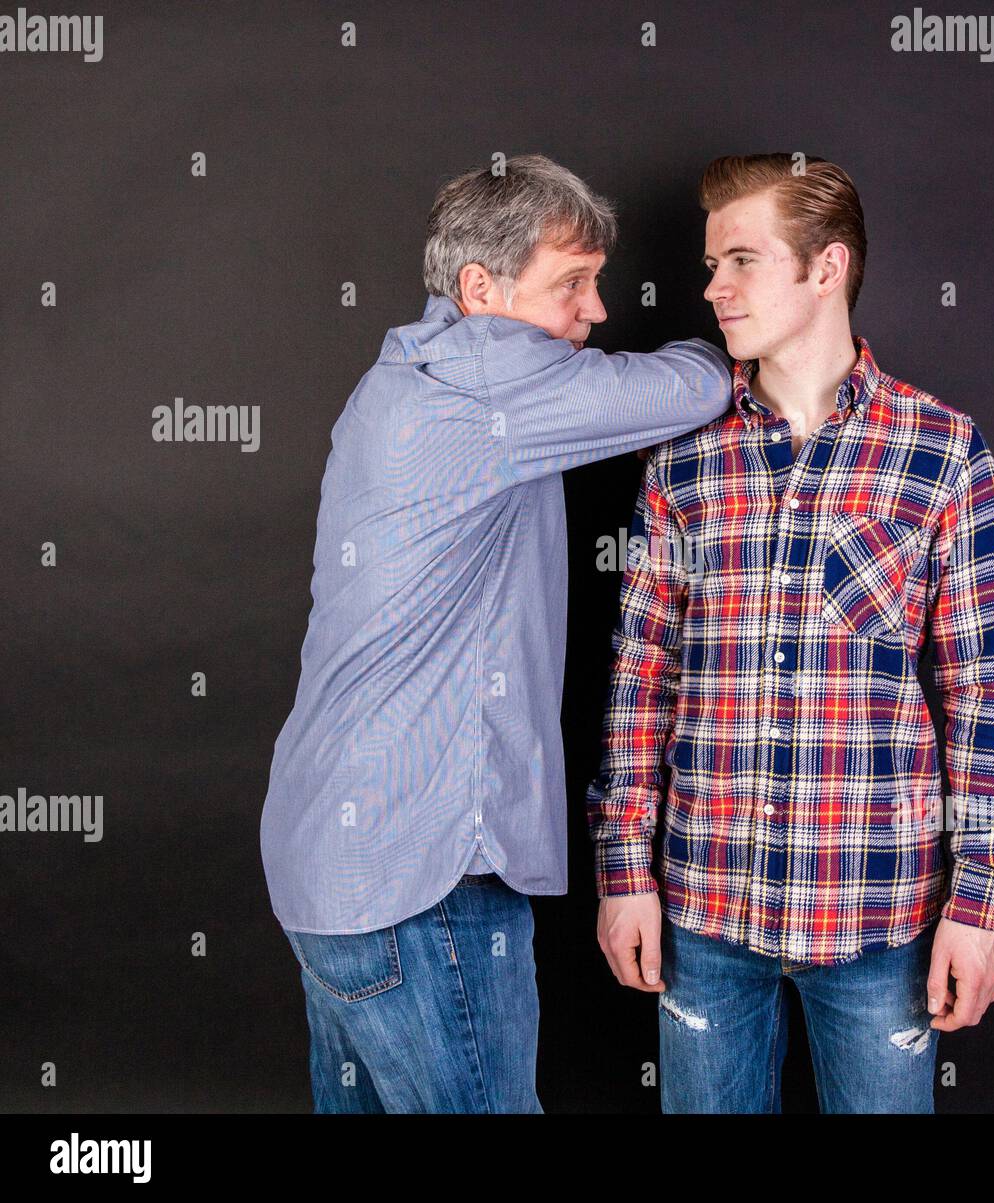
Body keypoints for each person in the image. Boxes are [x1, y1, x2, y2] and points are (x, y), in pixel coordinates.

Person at [260, 153, 734, 1113]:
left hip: (331, 870)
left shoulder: (400, 377)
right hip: (422, 878)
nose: (595, 313)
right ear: (480, 289)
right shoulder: (488, 380)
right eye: (571, 284)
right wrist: (737, 349)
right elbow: (693, 388)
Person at [587, 153, 994, 1113]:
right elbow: (641, 680)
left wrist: (981, 905)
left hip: (880, 921)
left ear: (826, 269)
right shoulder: (684, 462)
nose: (714, 288)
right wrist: (624, 870)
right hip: (704, 916)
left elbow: (986, 697)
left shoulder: (942, 449)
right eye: (711, 264)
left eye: (742, 259)